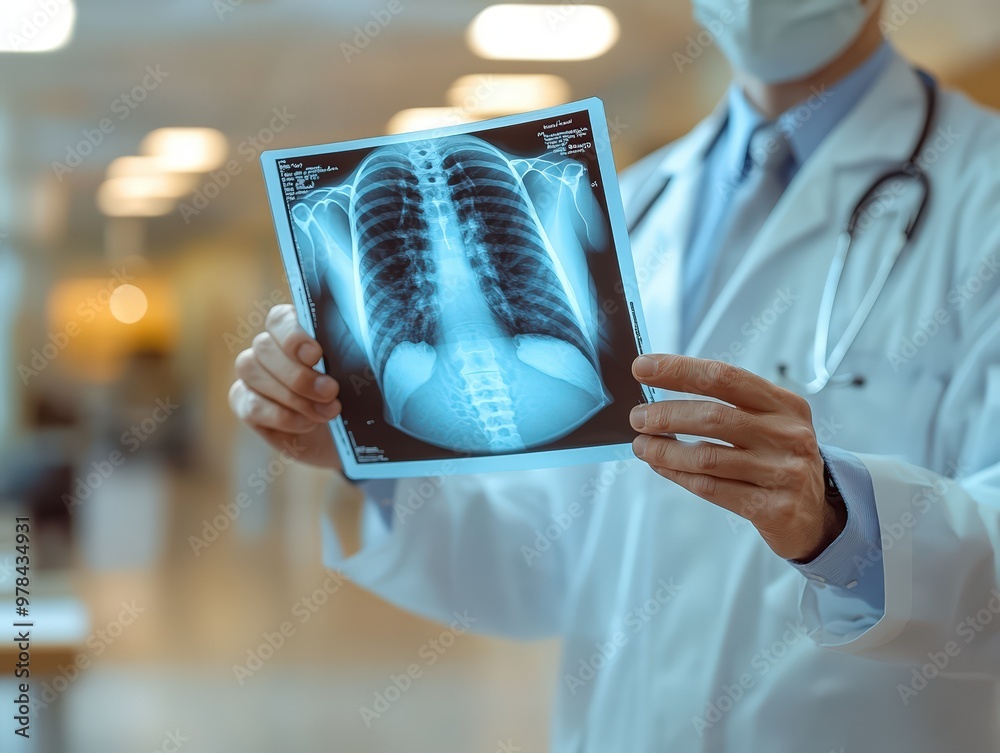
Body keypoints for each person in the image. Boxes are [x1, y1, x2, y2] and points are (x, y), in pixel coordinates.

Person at [229, 0, 1000, 748]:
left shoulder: (983, 195)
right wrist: (363, 453)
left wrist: (843, 523)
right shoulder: (632, 204)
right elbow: (544, 564)